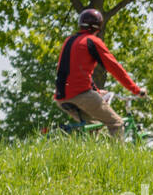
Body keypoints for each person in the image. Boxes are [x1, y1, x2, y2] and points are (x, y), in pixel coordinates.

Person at [53, 8, 143, 141]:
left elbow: (72, 72)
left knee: (93, 126)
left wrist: (95, 90)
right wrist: (135, 89)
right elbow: (115, 68)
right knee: (116, 123)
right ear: (98, 28)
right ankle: (118, 160)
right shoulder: (92, 42)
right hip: (80, 95)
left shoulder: (69, 41)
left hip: (61, 97)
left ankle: (88, 157)